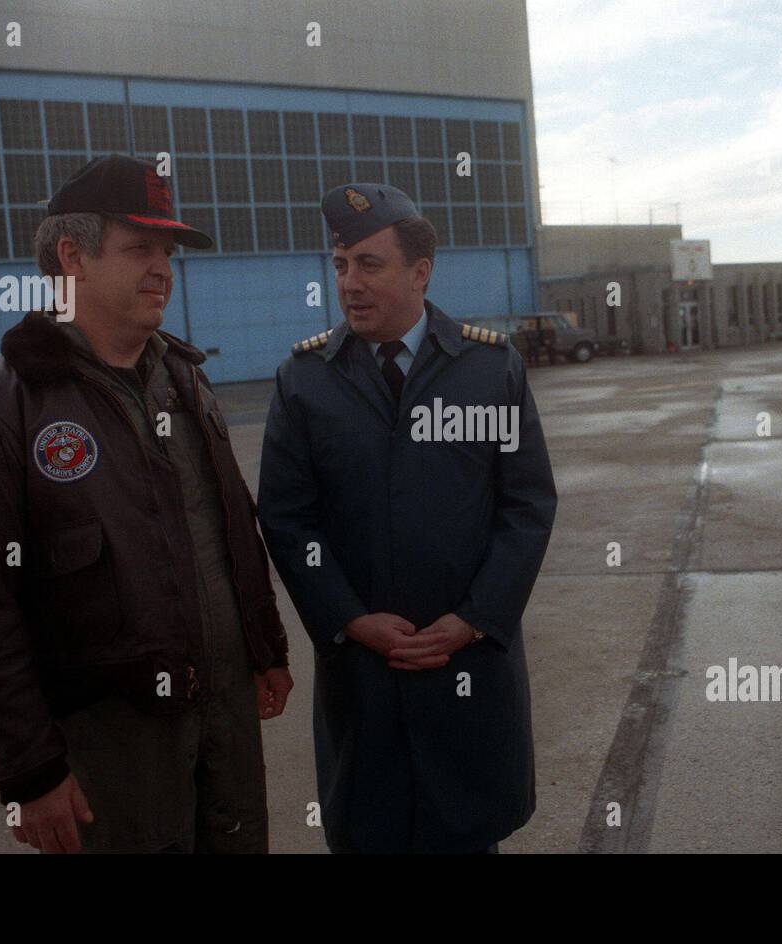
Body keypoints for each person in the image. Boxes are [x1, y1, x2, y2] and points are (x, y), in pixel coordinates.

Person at [0, 155, 292, 853]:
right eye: (140, 248)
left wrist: (264, 646)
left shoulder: (185, 382)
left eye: (168, 252)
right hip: (109, 757)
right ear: (71, 257)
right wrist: (28, 771)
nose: (164, 268)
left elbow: (230, 525)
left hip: (225, 727)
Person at [257, 183, 557, 853]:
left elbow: (527, 505)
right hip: (365, 675)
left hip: (469, 668)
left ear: (420, 271)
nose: (348, 284)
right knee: (373, 828)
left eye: (369, 264)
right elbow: (286, 518)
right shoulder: (305, 380)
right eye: (339, 265)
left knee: (468, 829)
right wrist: (347, 618)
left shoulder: (488, 370)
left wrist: (476, 618)